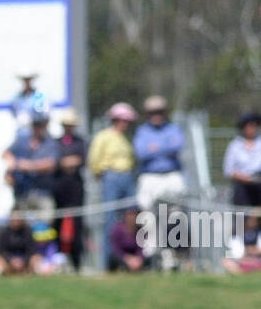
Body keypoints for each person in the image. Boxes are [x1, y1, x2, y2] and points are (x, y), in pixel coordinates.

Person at [133, 95, 185, 267]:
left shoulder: (173, 129)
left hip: (171, 175)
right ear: (147, 114)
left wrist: (155, 148)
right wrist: (164, 147)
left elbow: (177, 146)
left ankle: (173, 249)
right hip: (150, 176)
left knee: (175, 213)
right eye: (152, 112)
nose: (156, 115)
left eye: (159, 112)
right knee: (147, 212)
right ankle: (152, 252)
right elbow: (141, 153)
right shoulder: (142, 132)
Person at [88, 103, 138, 253]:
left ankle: (130, 253)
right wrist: (98, 172)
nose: (126, 124)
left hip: (128, 177)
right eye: (123, 121)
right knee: (109, 218)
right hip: (111, 177)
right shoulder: (104, 136)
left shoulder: (125, 139)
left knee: (131, 216)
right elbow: (94, 158)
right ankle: (109, 257)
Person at [224, 111, 261, 250]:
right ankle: (238, 243)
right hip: (242, 186)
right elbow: (228, 170)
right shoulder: (235, 145)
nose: (252, 129)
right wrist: (245, 178)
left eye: (254, 125)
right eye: (249, 126)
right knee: (241, 214)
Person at [3, 112, 57, 218]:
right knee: (24, 228)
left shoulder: (50, 143)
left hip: (42, 193)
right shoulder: (21, 141)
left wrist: (27, 166)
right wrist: (12, 163)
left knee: (43, 229)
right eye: (35, 125)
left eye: (40, 125)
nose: (37, 128)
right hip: (22, 192)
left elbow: (50, 164)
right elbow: (6, 153)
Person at [52, 108, 87, 272]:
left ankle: (77, 260)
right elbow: (55, 161)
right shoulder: (56, 142)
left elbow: (82, 159)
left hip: (75, 187)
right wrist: (65, 162)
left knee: (77, 223)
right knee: (57, 222)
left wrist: (67, 162)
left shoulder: (80, 142)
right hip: (59, 186)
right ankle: (58, 257)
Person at [0, 209, 42, 275]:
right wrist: (11, 260)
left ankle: (28, 272)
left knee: (36, 258)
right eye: (14, 219)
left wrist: (22, 260)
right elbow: (0, 251)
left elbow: (32, 250)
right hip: (8, 262)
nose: (16, 222)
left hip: (24, 262)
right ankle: (6, 272)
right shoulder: (4, 232)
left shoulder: (28, 231)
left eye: (18, 219)